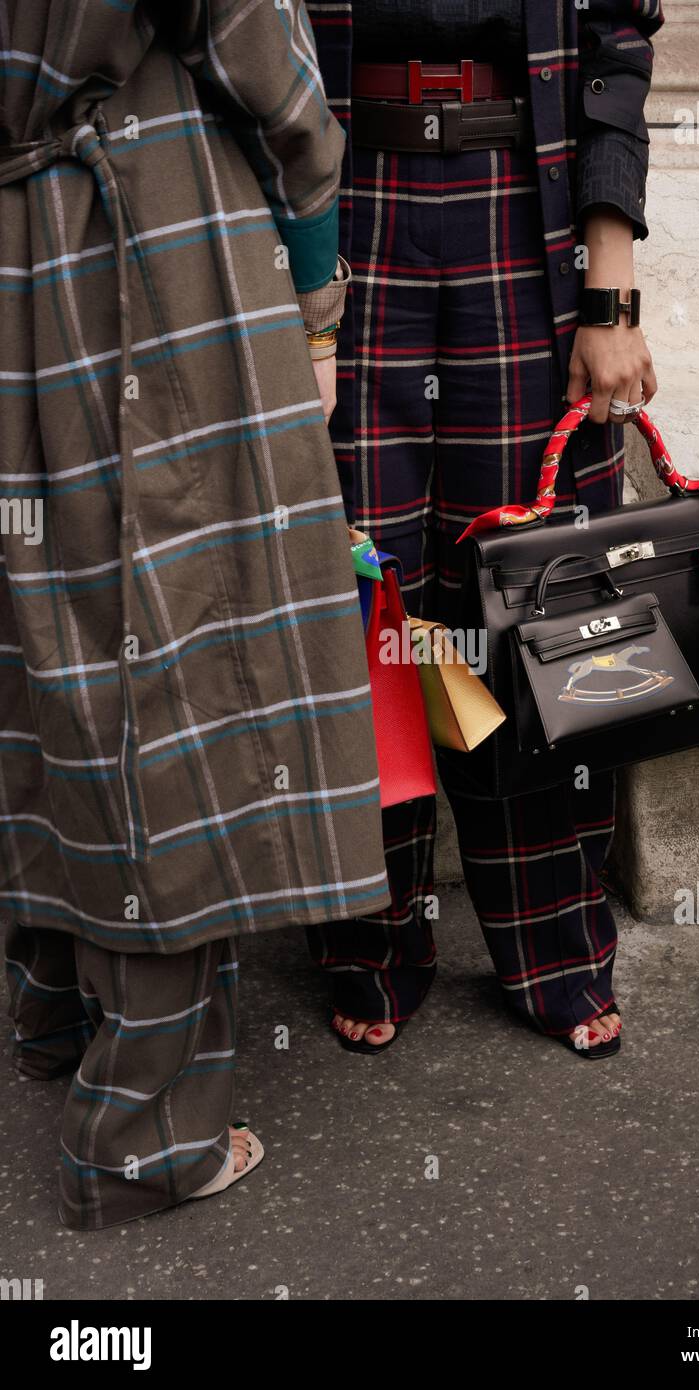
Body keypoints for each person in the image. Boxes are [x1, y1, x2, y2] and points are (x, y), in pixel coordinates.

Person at [0, 0, 390, 1229]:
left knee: (46, 643)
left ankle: (53, 1003)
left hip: (19, 246)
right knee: (168, 667)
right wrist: (317, 284)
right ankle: (144, 1131)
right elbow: (262, 64)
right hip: (150, 248)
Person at [305, 0, 663, 1057]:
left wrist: (611, 301)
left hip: (524, 214)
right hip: (338, 215)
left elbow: (613, 47)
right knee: (365, 595)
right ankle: (368, 938)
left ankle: (555, 945)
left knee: (541, 588)